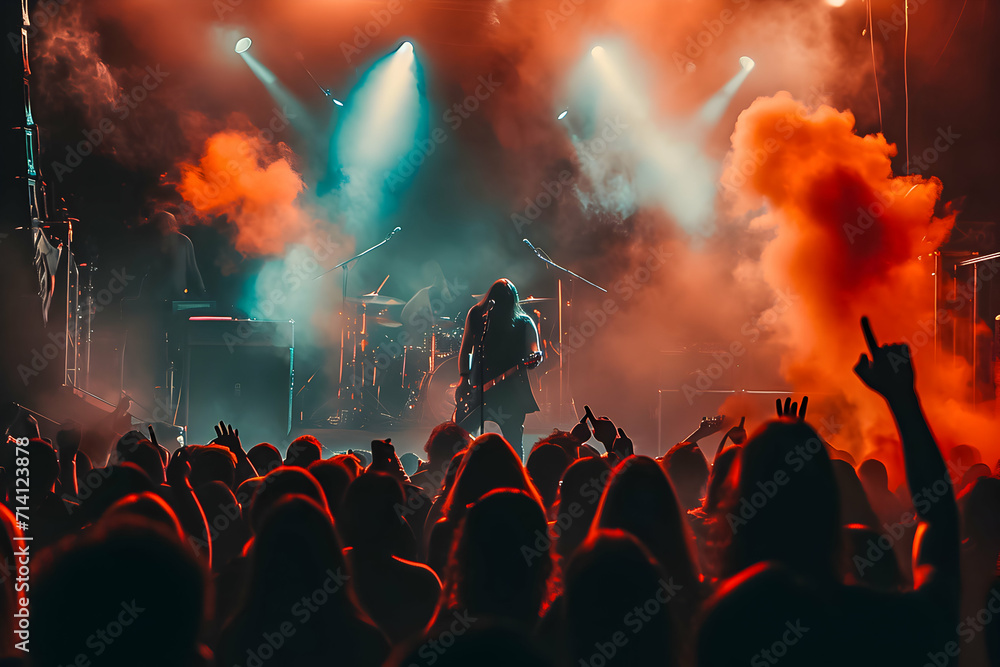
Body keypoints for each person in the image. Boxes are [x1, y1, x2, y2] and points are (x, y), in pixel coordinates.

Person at [455, 279, 542, 459]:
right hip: (480, 390)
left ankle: (516, 476)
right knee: (460, 434)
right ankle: (463, 472)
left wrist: (535, 357)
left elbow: (534, 349)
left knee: (513, 439)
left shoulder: (524, 322)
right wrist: (463, 378)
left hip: (511, 393)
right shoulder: (477, 315)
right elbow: (465, 350)